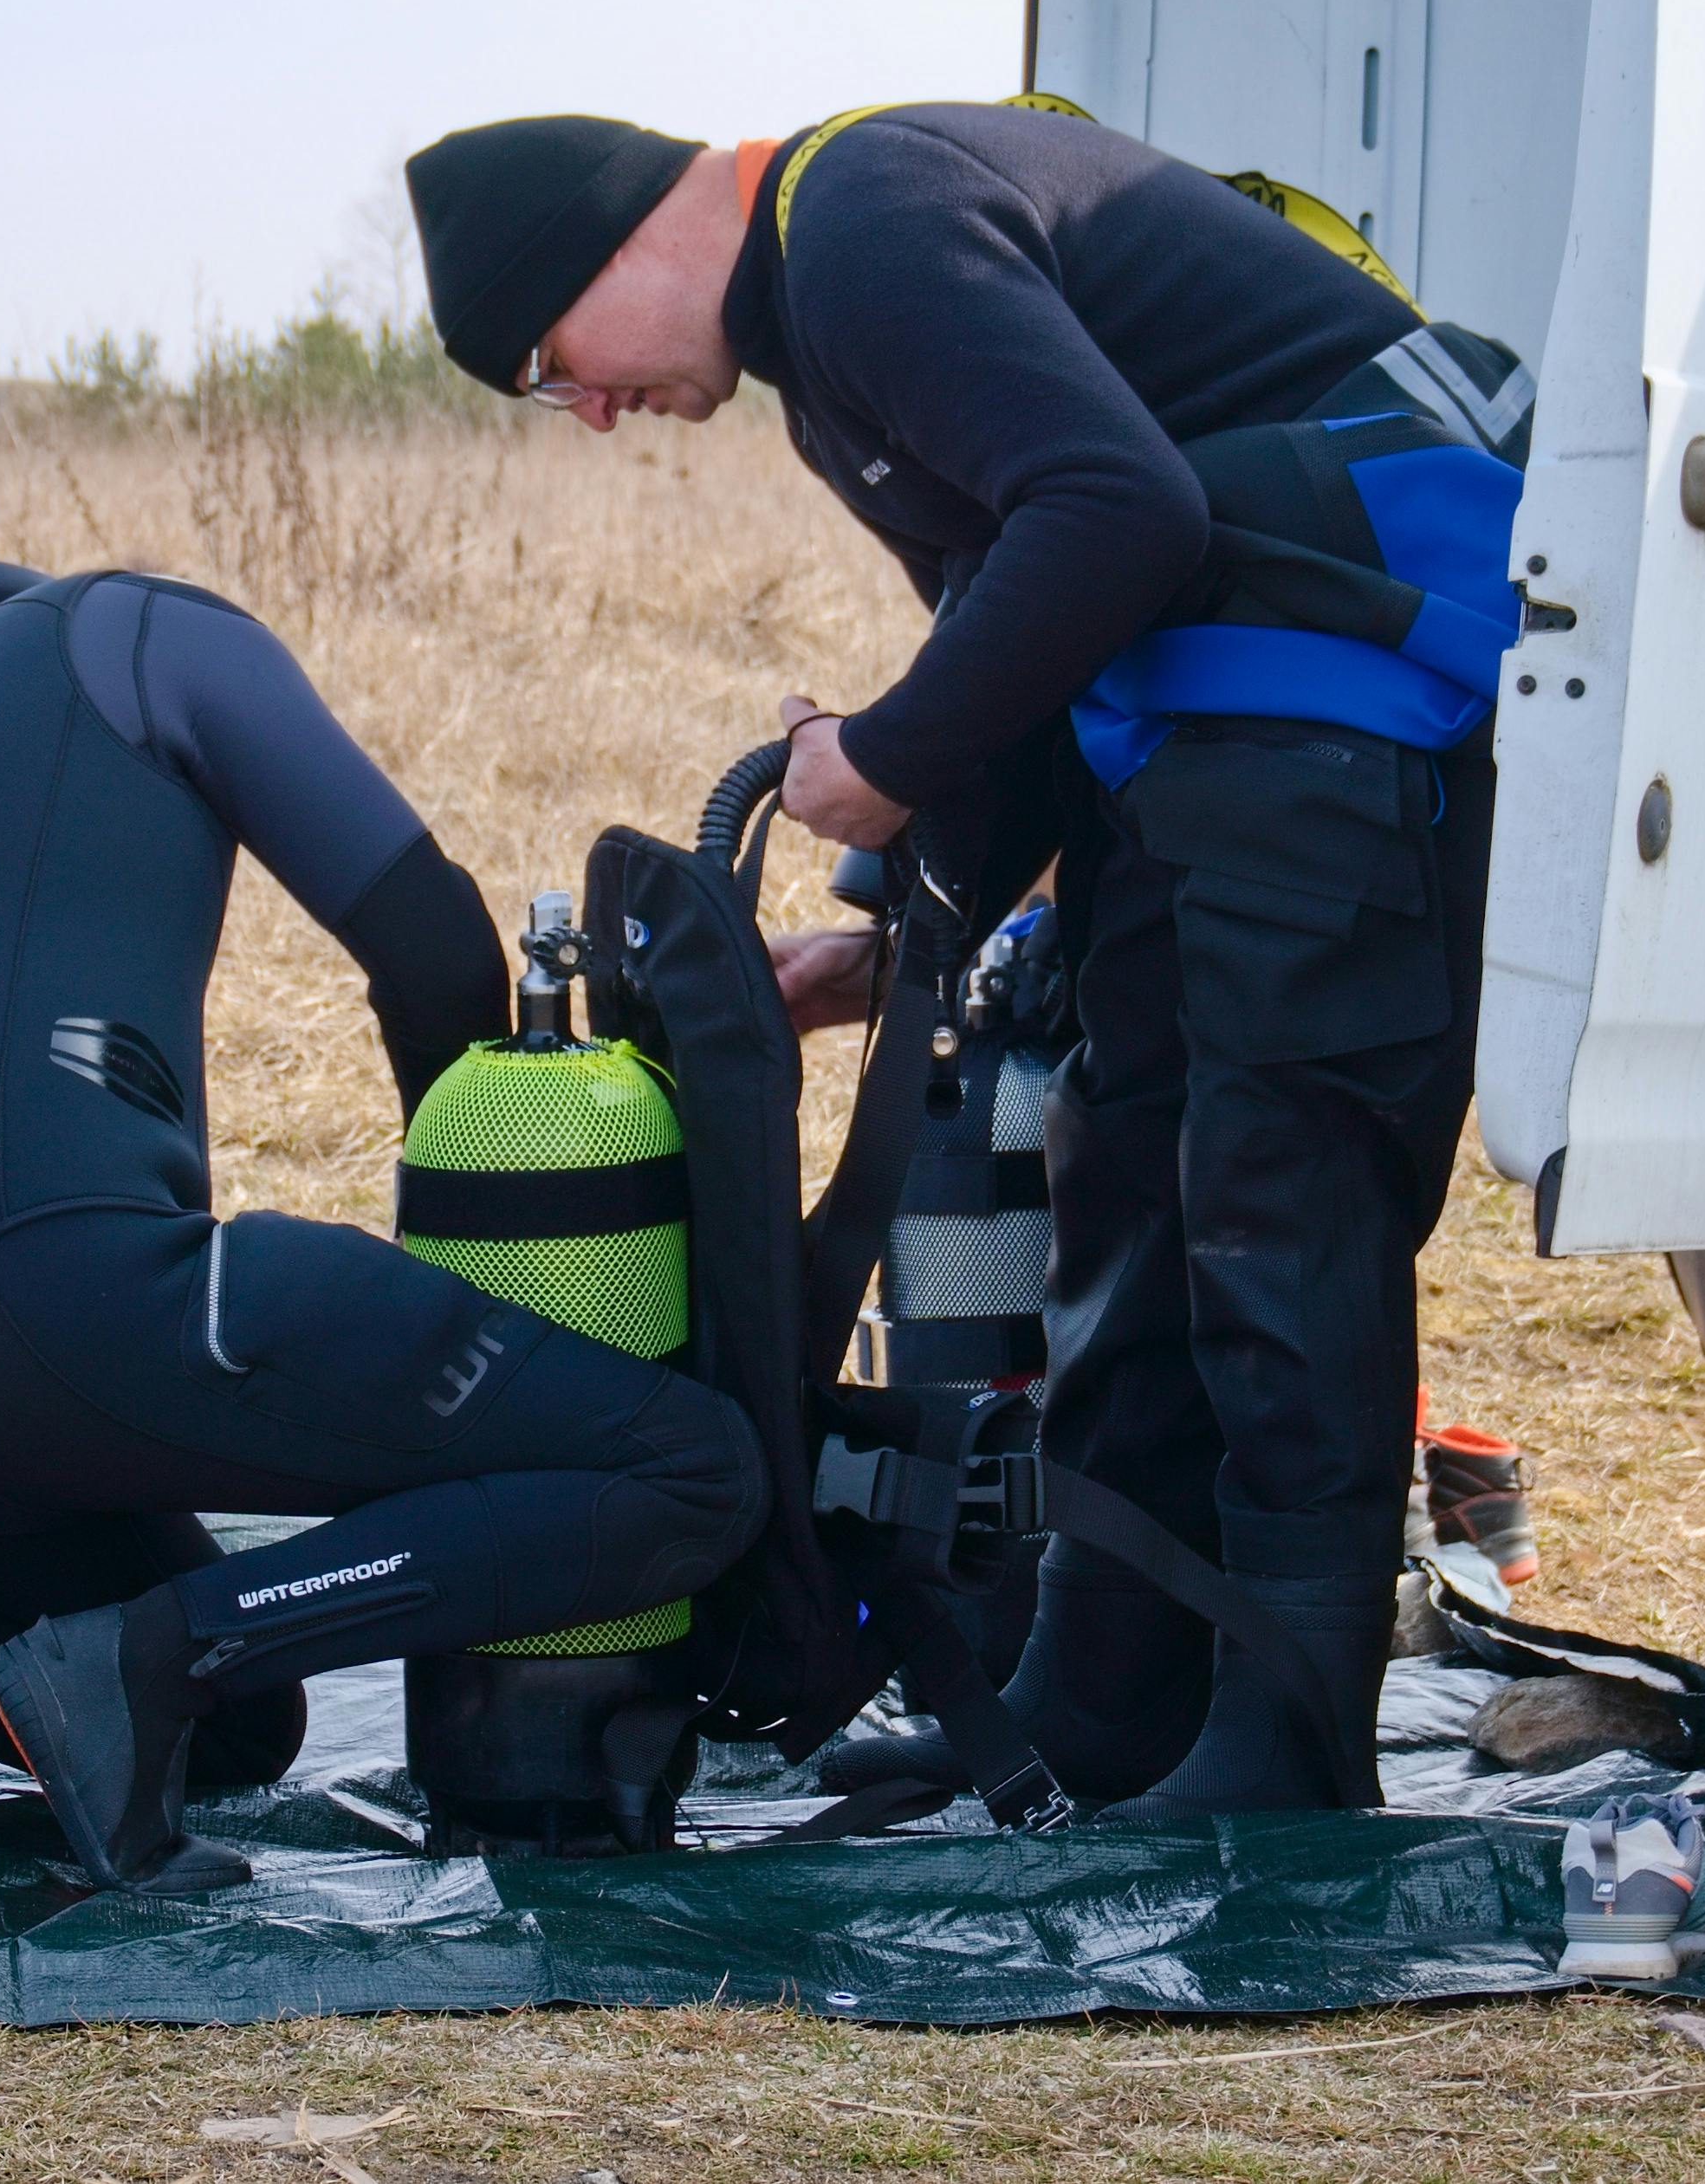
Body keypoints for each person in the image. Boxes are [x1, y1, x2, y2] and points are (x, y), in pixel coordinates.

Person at [399, 103, 1525, 1818]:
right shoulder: (822, 347)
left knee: (1275, 1208)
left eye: (556, 366)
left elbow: (1120, 509)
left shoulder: (858, 219)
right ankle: (1102, 1694)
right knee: (1126, 1184)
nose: (597, 412)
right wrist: (893, 936)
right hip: (1212, 726)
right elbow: (1041, 630)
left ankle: (1291, 1748)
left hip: (1348, 684)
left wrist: (886, 753)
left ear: (612, 241)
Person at [0, 562, 768, 1890]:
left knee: (240, 1714)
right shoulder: (126, 633)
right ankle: (144, 1663)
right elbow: (435, 943)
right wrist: (484, 1273)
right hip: (53, 1295)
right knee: (691, 1469)